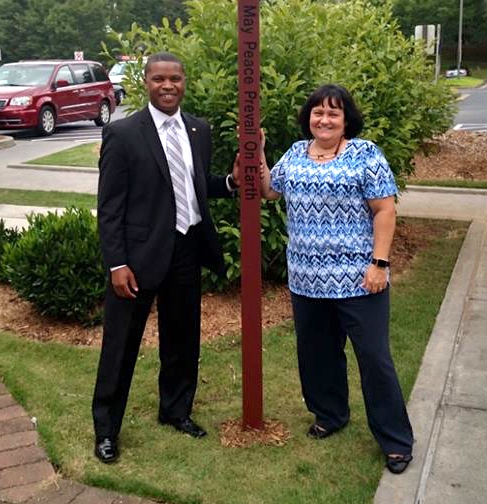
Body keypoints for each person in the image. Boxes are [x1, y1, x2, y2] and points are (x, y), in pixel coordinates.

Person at [92, 52, 239, 463]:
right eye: (159, 79)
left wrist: (230, 181)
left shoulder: (199, 129)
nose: (168, 86)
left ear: (184, 81)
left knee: (183, 338)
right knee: (121, 346)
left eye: (175, 78)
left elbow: (198, 185)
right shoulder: (123, 134)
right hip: (137, 259)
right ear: (146, 82)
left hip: (186, 249)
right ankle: (106, 430)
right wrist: (116, 263)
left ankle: (176, 411)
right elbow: (110, 207)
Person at [260, 83, 413, 474]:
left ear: (346, 120)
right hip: (307, 279)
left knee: (375, 359)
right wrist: (256, 152)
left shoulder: (365, 155)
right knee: (317, 354)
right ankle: (330, 414)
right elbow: (268, 191)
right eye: (317, 112)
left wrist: (379, 263)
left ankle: (395, 439)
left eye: (333, 113)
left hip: (359, 279)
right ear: (308, 118)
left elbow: (384, 211)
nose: (324, 119)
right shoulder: (296, 153)